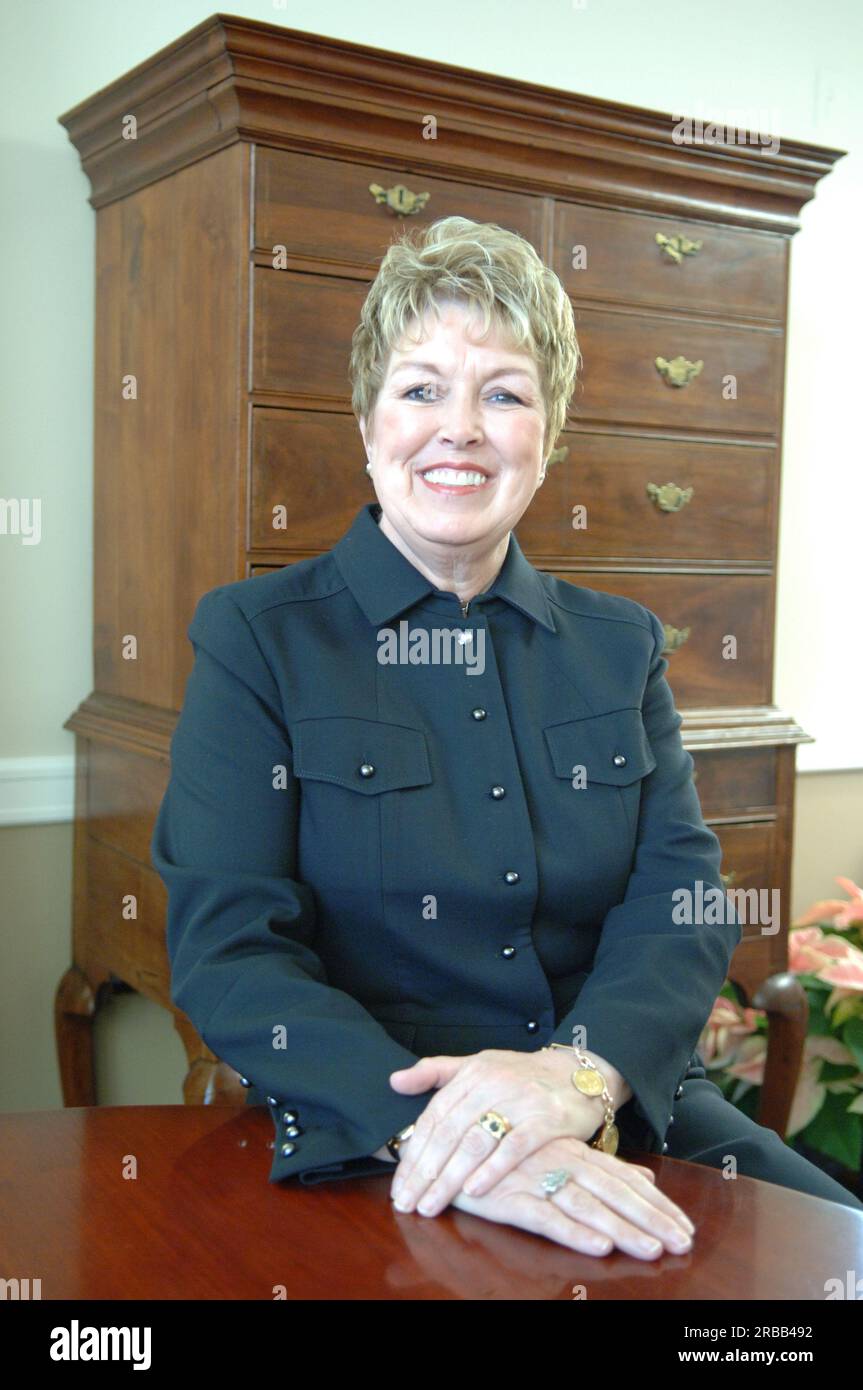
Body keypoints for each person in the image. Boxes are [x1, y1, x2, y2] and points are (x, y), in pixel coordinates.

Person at [151, 217, 862, 1264]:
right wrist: (466, 1138)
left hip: (622, 1104)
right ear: (367, 419)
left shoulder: (622, 646)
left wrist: (571, 1079)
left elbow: (683, 901)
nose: (460, 428)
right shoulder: (257, 638)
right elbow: (227, 951)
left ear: (549, 431)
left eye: (503, 393)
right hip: (376, 1132)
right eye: (421, 388)